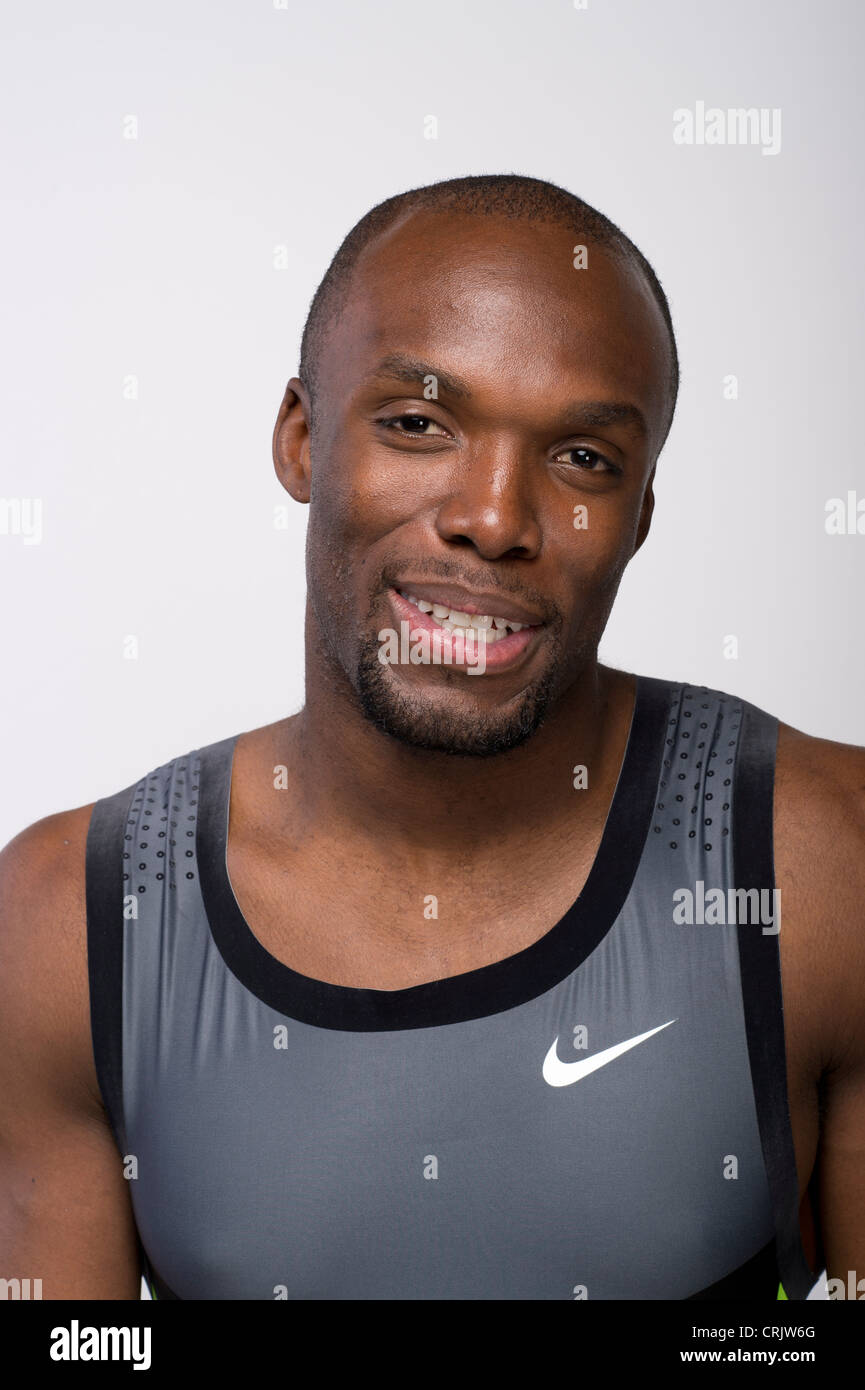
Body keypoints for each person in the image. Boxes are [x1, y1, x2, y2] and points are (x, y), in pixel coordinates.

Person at [1, 174, 862, 1300]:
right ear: (304, 440)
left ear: (641, 514)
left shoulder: (819, 862)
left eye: (582, 459)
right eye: (418, 423)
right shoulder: (75, 921)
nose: (493, 518)